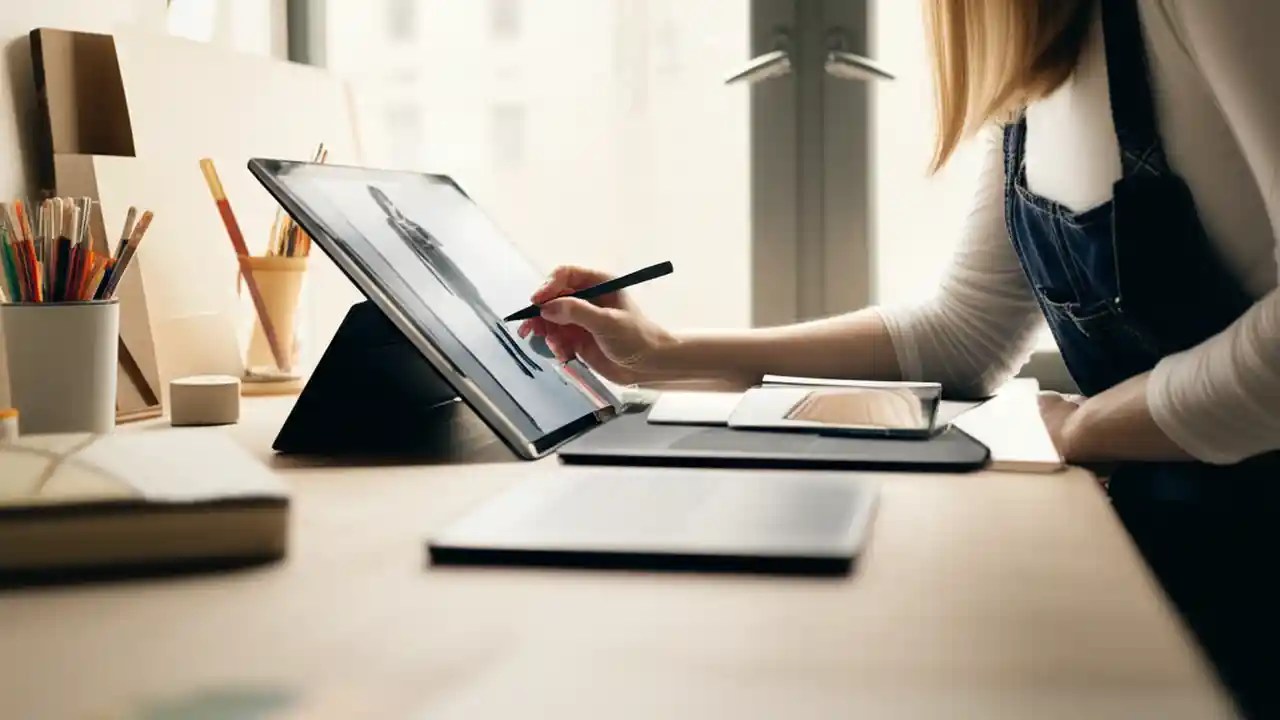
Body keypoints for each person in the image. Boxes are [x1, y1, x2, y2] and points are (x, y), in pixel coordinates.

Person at [523, 1, 1279, 716]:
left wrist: (1084, 428)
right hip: (1183, 547)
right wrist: (663, 354)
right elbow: (964, 334)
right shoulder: (1038, 50)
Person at [366, 185, 545, 378]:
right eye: (383, 202)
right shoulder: (396, 224)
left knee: (490, 313)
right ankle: (518, 357)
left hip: (454, 270)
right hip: (447, 274)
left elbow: (436, 244)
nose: (388, 204)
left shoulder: (409, 222)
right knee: (484, 316)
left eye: (387, 200)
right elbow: (422, 255)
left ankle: (523, 354)